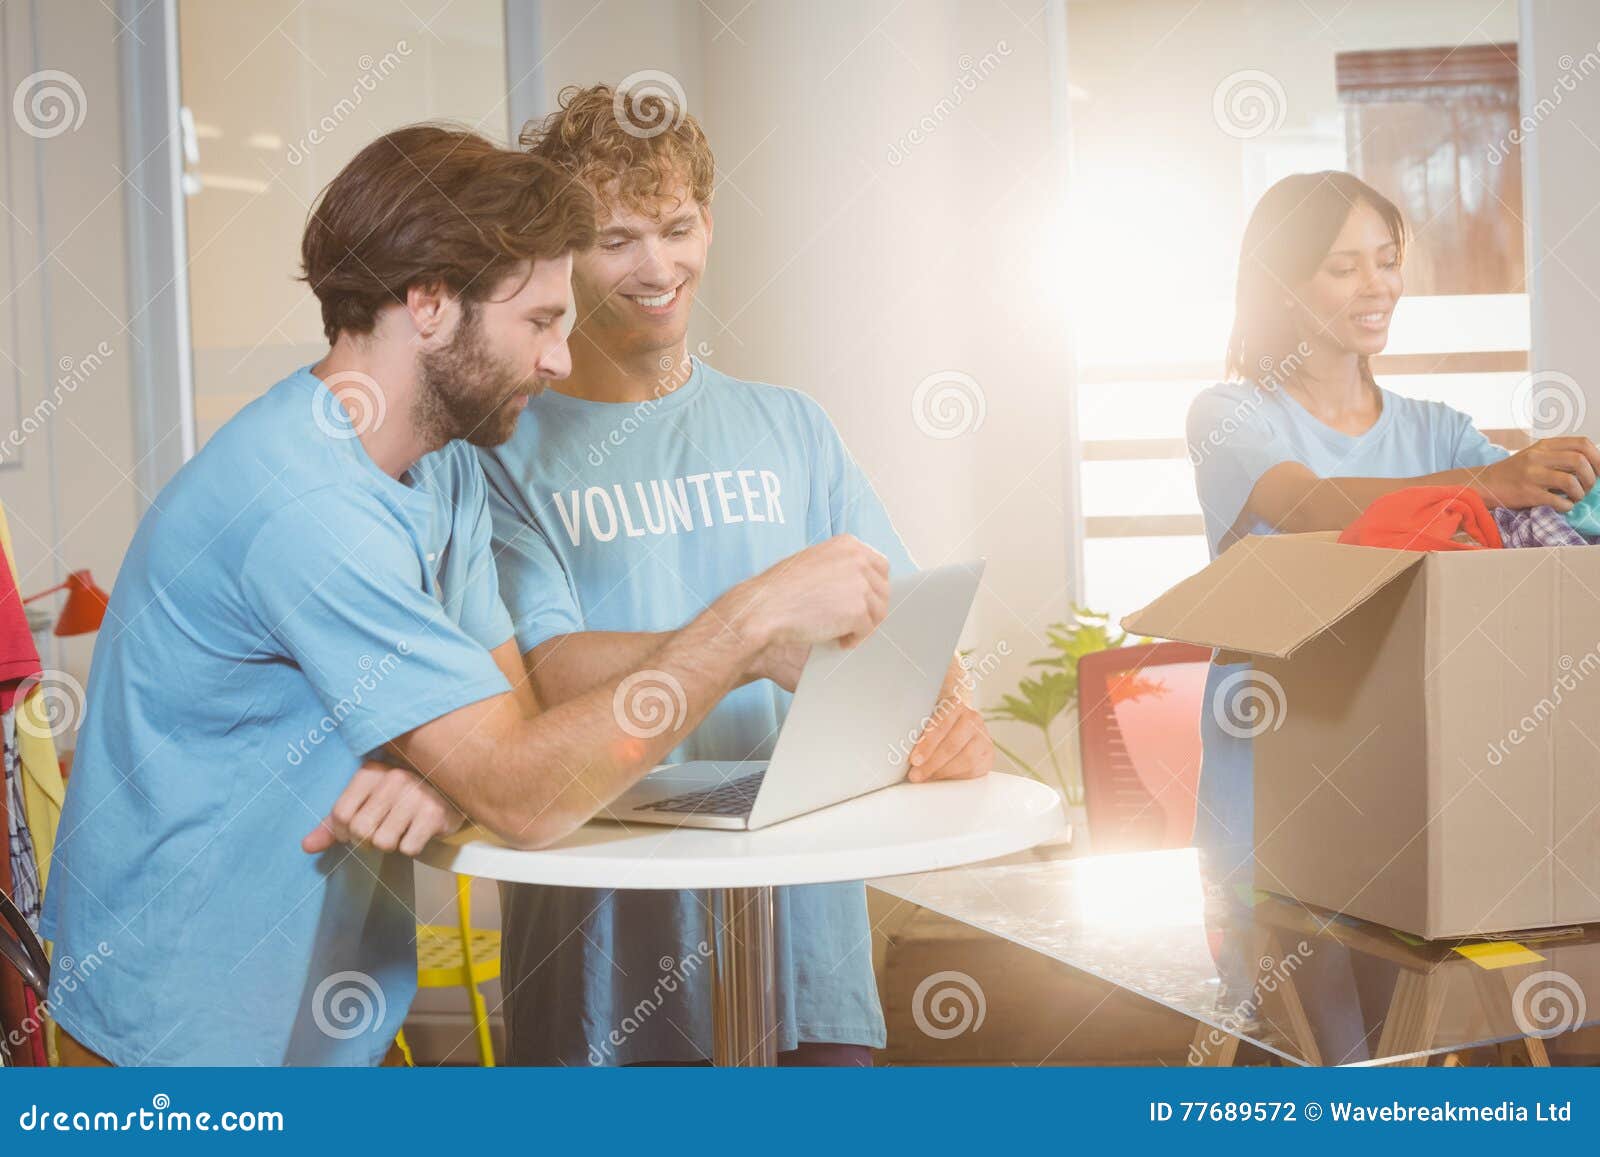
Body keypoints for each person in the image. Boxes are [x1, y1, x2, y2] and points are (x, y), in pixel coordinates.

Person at [41, 124, 890, 1067]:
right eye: (540, 322)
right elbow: (525, 793)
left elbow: (515, 728)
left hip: (320, 1013)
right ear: (432, 303)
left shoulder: (443, 464)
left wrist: (454, 772)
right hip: (176, 1032)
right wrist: (745, 624)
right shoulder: (304, 504)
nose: (560, 359)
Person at [476, 83, 994, 1066]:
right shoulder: (501, 451)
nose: (657, 267)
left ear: (708, 224)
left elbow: (905, 631)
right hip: (607, 964)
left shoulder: (792, 426)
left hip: (807, 954)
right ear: (558, 255)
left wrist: (949, 711)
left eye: (676, 229)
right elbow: (544, 677)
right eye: (616, 239)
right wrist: (749, 640)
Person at [1187, 170, 1600, 1051]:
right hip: (1274, 767)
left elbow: (1529, 540)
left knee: (1423, 1038)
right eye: (1343, 268)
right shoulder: (1229, 415)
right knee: (1318, 1048)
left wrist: (1559, 490)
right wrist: (1488, 481)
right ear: (1282, 285)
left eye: (1386, 260)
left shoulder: (1439, 430)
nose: (1376, 286)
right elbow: (1306, 503)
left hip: (1410, 783)